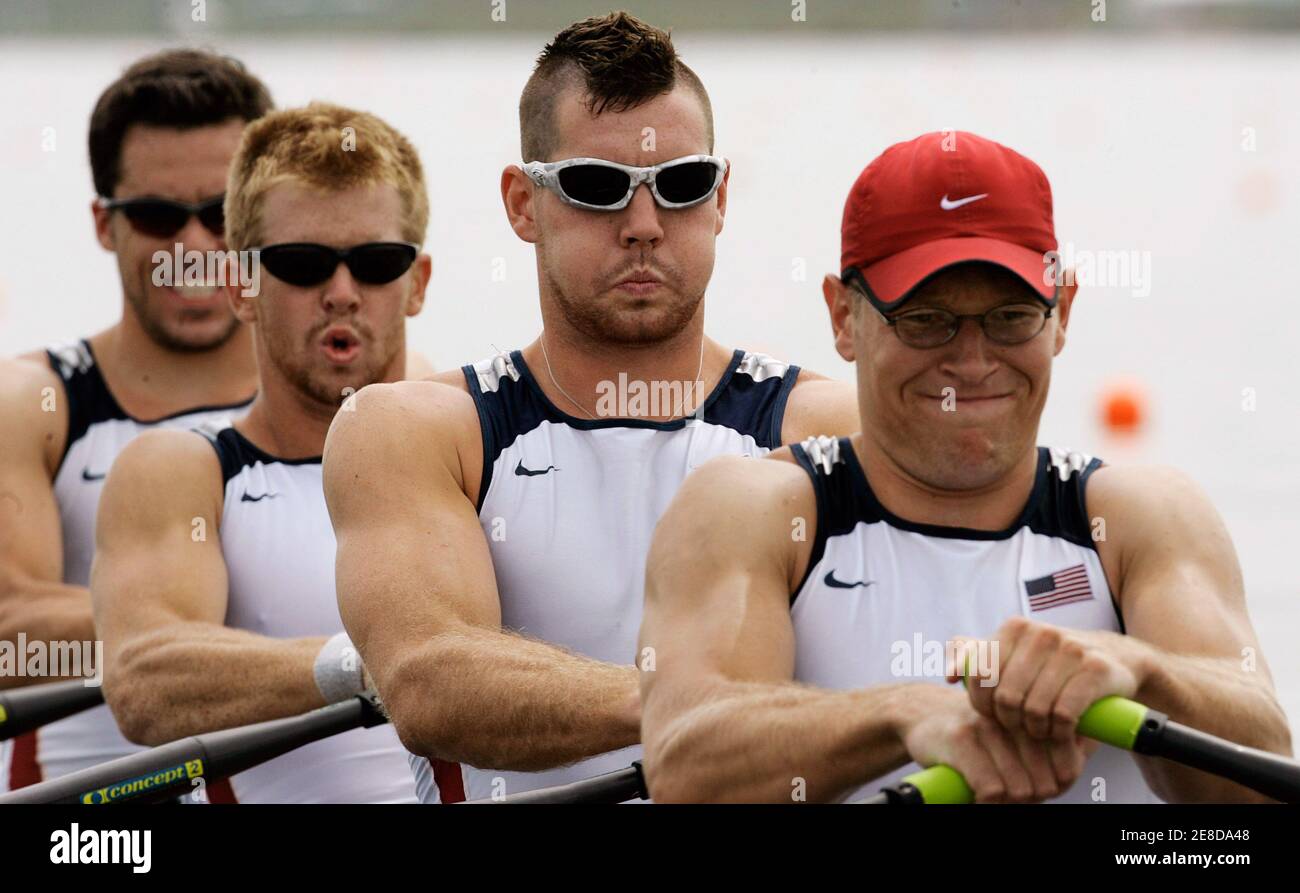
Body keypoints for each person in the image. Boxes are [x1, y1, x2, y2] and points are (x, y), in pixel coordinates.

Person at [637, 130, 1292, 803]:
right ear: (843, 317)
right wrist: (902, 714)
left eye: (1010, 317)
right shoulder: (754, 509)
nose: (973, 363)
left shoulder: (1140, 516)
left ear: (1062, 313)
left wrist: (1143, 671)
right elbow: (686, 768)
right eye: (926, 319)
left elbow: (1263, 776)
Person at [324, 11, 857, 802]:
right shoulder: (418, 432)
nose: (643, 226)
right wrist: (697, 705)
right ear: (522, 203)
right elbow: (430, 682)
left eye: (681, 184)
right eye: (598, 187)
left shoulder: (828, 428)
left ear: (720, 199)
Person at [90, 102, 429, 803]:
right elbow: (144, 680)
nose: (342, 294)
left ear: (417, 282)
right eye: (302, 265)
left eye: (376, 264)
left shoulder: (483, 445)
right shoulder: (184, 472)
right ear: (241, 286)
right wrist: (367, 668)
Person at [0, 49, 271, 792]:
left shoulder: (372, 392)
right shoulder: (31, 403)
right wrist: (263, 611)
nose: (194, 249)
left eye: (220, 214)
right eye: (156, 217)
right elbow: (7, 623)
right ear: (103, 223)